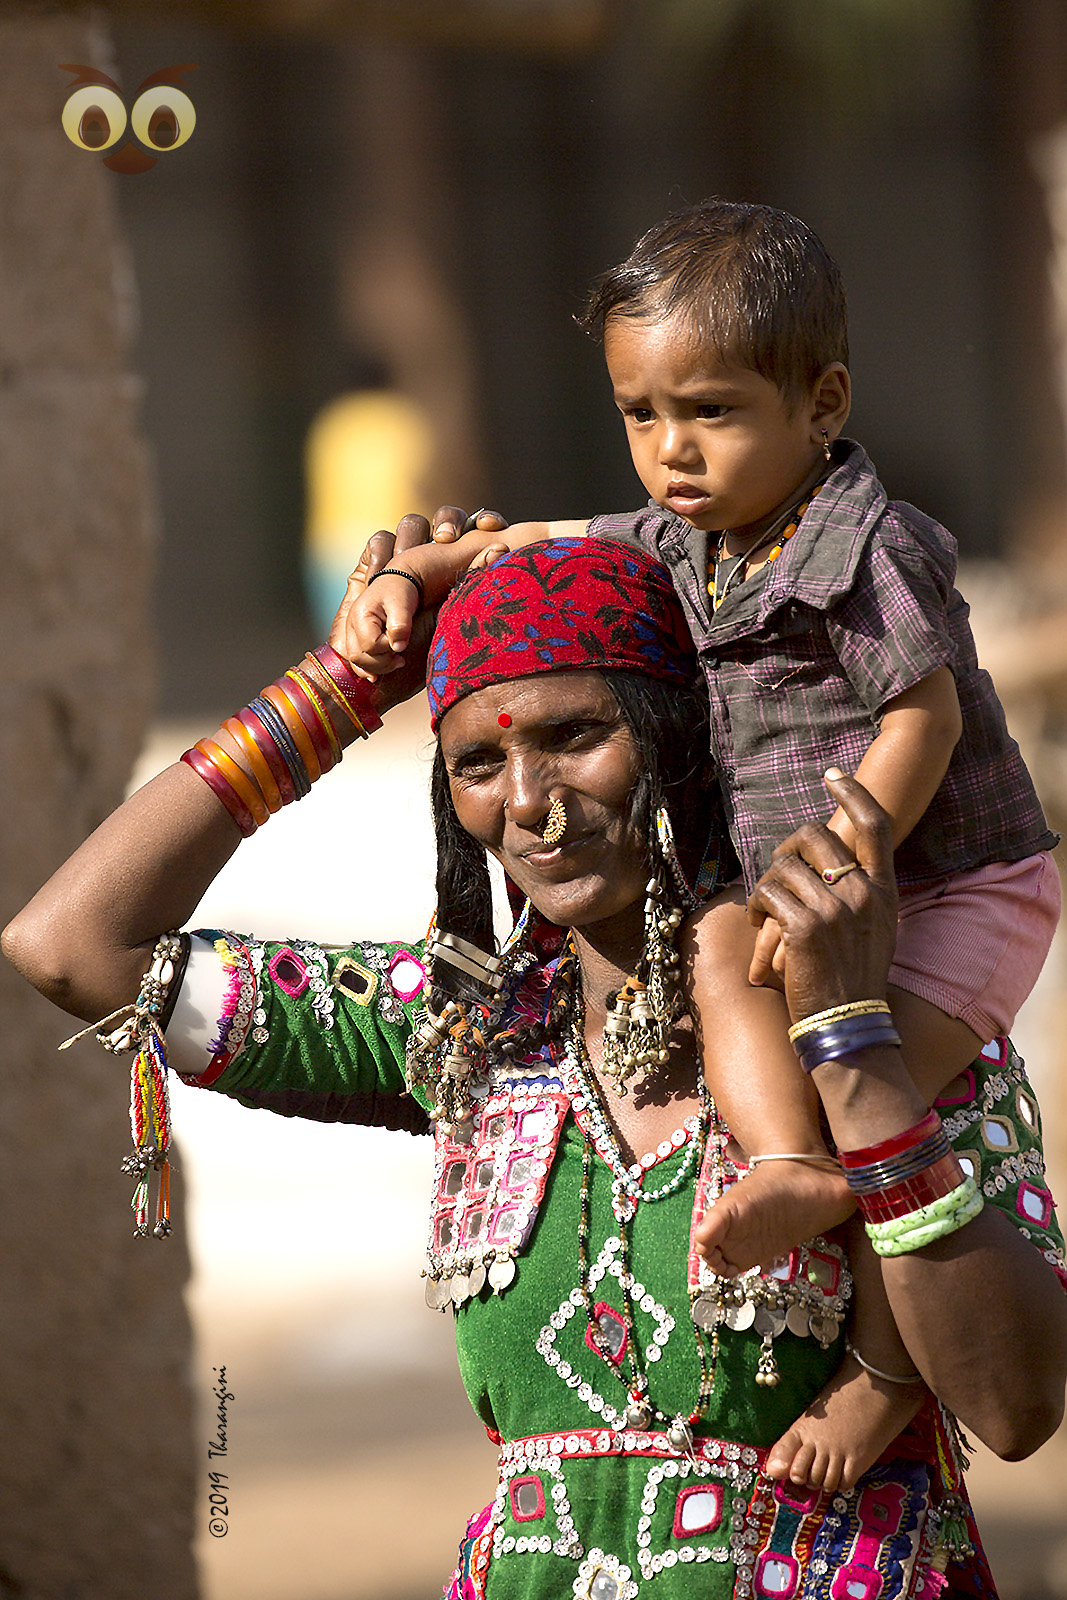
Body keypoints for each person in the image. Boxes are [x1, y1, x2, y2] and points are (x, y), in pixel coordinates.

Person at [4, 538, 1065, 1600]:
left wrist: (846, 1046)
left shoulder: (885, 1010)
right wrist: (342, 690)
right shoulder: (460, 1030)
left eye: (574, 736)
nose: (526, 800)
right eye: (475, 761)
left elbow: (1015, 1407)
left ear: (679, 736)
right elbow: (71, 944)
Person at [337, 201, 1061, 1480]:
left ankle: (879, 1382)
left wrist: (855, 850)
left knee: (889, 1105)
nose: (670, 450)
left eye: (711, 411)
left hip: (949, 882)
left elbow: (923, 711)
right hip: (799, 887)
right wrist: (428, 572)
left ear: (820, 398)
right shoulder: (687, 543)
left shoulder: (863, 542)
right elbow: (548, 545)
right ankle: (782, 1157)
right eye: (639, 414)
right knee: (722, 942)